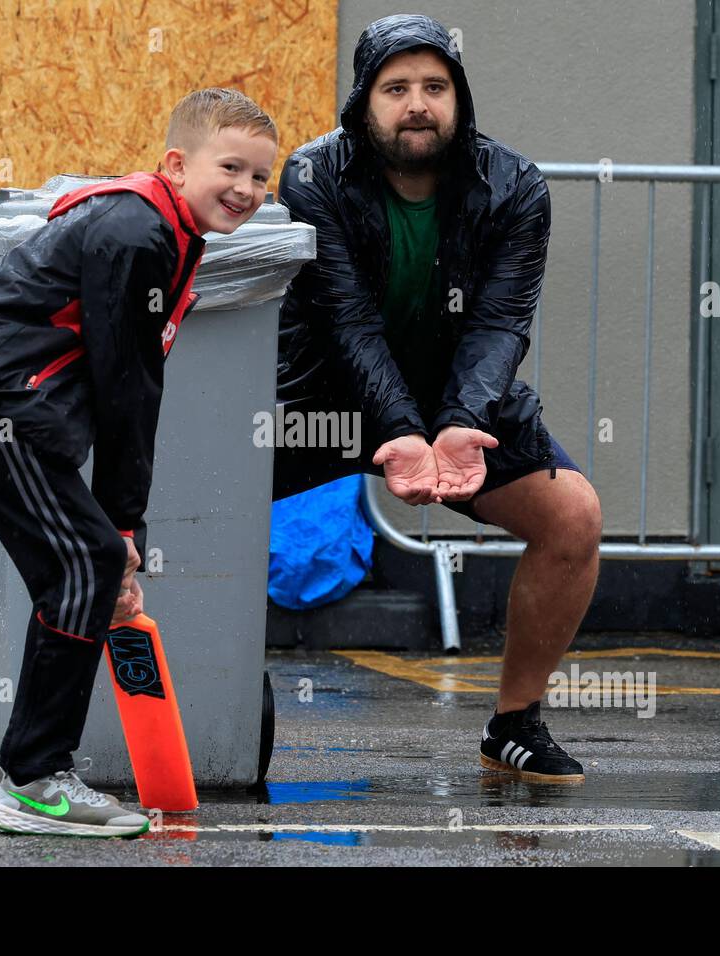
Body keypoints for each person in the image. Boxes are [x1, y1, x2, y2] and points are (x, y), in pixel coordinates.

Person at [0, 88, 279, 835]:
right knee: (86, 564)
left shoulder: (162, 227)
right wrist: (123, 530)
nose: (247, 189)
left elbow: (118, 381)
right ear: (176, 163)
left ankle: (24, 773)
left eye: (262, 176)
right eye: (230, 167)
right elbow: (126, 389)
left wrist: (114, 540)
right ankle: (37, 780)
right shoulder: (139, 233)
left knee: (78, 568)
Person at [274, 15, 603, 783]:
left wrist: (457, 424)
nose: (417, 104)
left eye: (435, 86)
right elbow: (346, 319)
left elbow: (498, 326)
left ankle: (513, 726)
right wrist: (397, 429)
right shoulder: (313, 177)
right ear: (364, 101)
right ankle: (149, 699)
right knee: (188, 510)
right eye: (397, 88)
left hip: (457, 399)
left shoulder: (515, 184)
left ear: (460, 98)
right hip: (323, 394)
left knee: (573, 517)